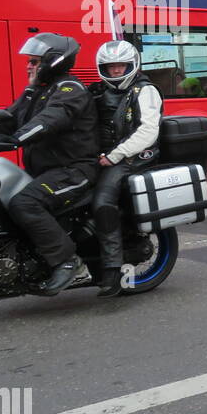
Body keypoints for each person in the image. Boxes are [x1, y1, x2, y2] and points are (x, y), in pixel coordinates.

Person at [0, 34, 100, 294]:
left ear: (53, 62)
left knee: (24, 202)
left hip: (74, 171)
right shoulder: (35, 90)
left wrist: (13, 141)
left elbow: (48, 121)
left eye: (34, 61)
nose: (28, 66)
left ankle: (68, 262)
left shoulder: (70, 90)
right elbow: (6, 118)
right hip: (48, 171)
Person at [89, 40, 163, 297]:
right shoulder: (97, 91)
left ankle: (112, 268)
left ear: (131, 65)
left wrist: (115, 155)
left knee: (102, 200)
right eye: (111, 67)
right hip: (104, 156)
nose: (116, 71)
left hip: (133, 158)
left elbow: (148, 131)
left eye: (121, 66)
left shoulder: (145, 90)